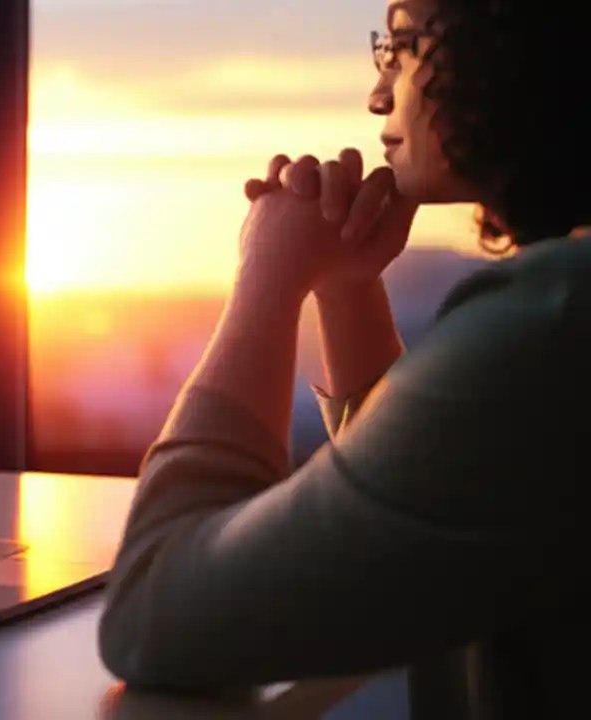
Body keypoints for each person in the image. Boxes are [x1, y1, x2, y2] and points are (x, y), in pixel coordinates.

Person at [96, 0, 590, 717]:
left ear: (505, 42)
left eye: (404, 45)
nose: (379, 94)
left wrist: (267, 277)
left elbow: (152, 617)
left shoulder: (551, 328)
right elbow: (413, 510)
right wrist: (346, 285)